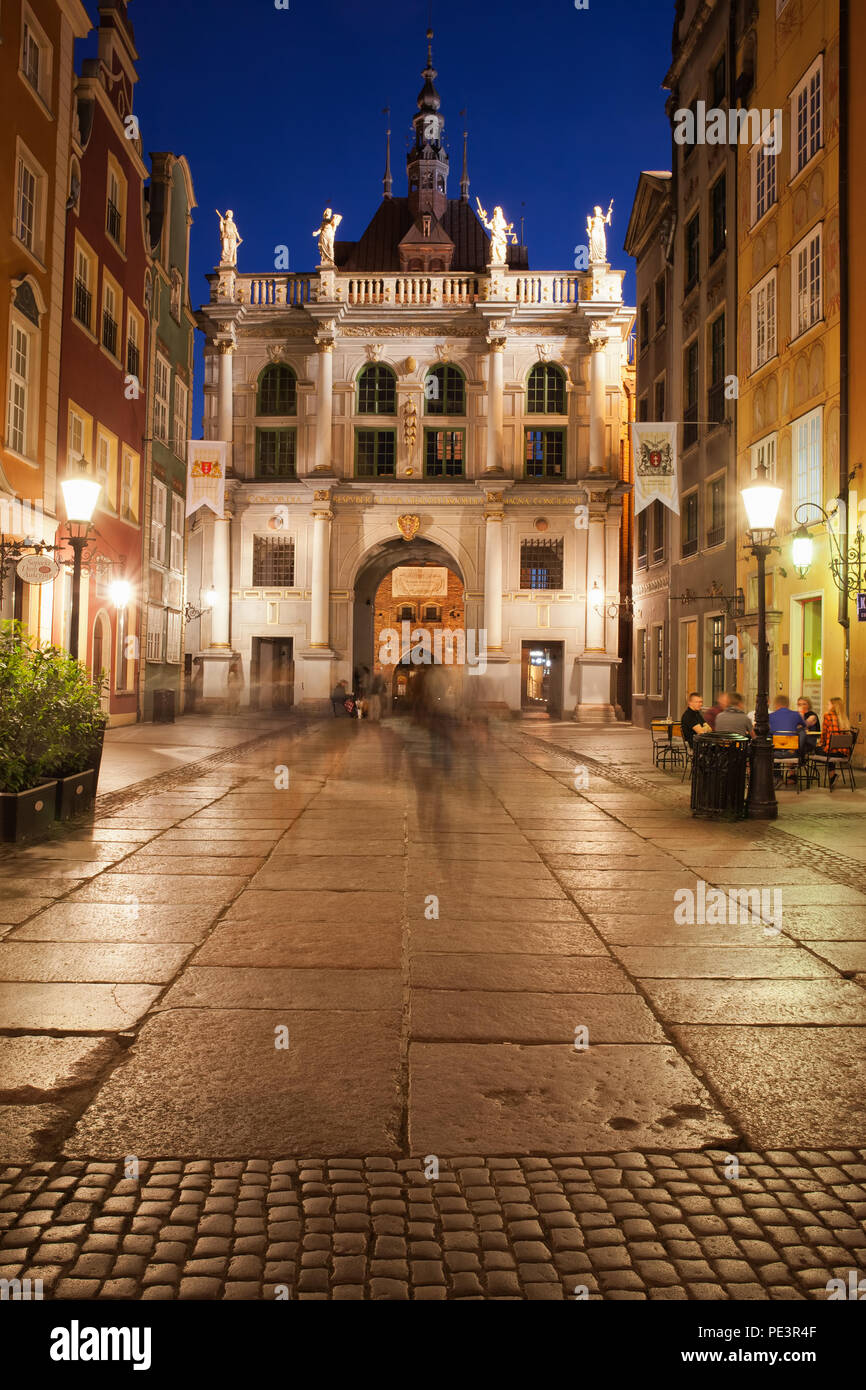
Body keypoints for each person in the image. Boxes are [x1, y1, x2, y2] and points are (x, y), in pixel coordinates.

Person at [818, 696, 852, 787]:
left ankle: (832, 776)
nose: (827, 706)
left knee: (816, 750)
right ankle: (832, 777)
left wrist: (820, 743)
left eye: (828, 704)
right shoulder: (844, 719)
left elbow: (824, 735)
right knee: (829, 749)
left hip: (832, 752)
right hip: (844, 753)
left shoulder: (827, 716)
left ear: (834, 706)